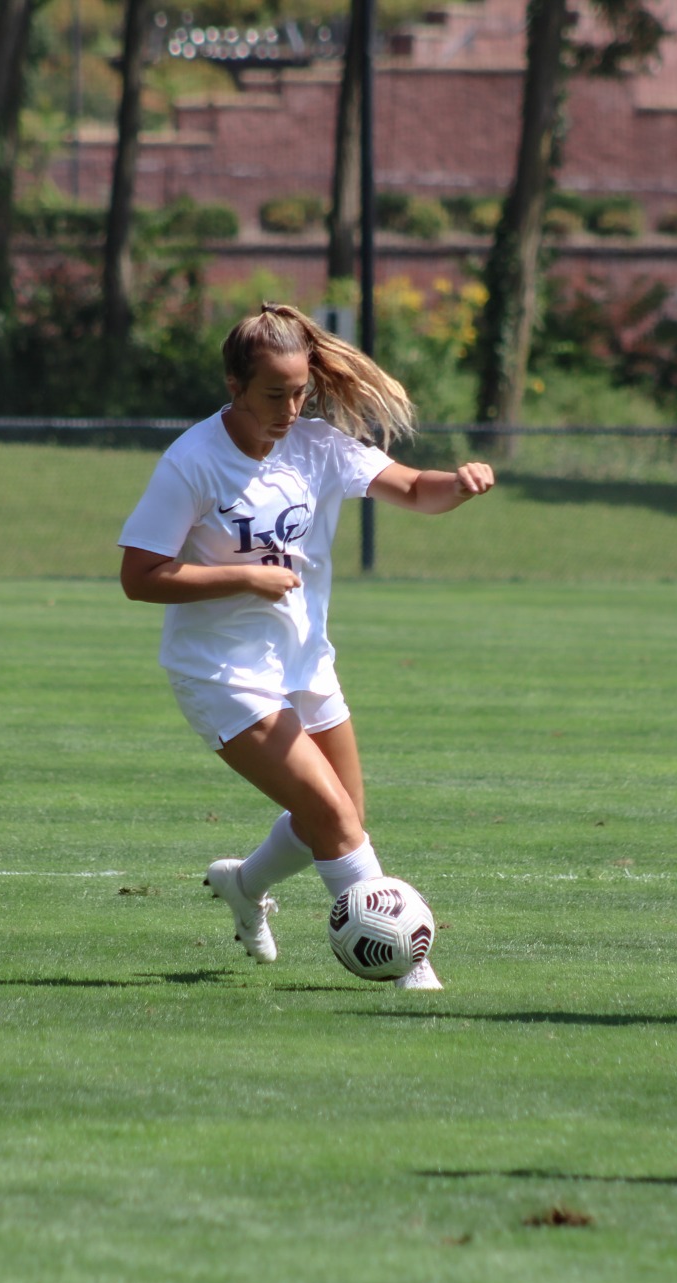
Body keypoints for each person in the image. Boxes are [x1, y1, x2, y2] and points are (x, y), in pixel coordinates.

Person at [117, 302, 495, 989]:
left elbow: (412, 488)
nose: (291, 407)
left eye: (299, 392)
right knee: (330, 816)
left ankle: (244, 883)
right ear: (234, 385)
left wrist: (459, 486)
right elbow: (139, 577)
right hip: (221, 672)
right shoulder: (193, 462)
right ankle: (411, 968)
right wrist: (241, 577)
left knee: (337, 815)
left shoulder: (318, 445)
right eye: (274, 394)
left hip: (305, 664)